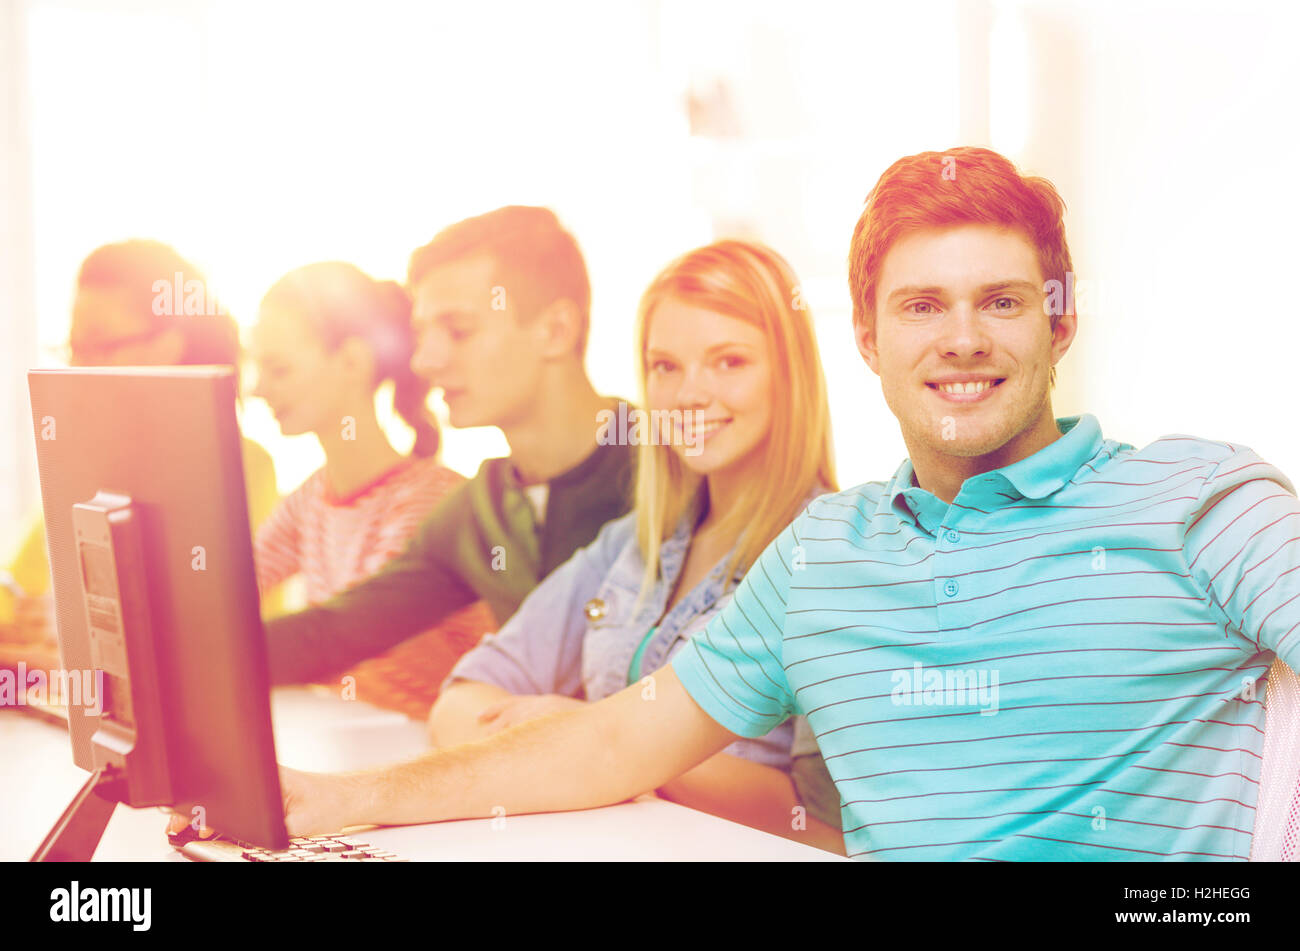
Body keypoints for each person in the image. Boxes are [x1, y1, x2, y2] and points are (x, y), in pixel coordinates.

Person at [267, 147, 1297, 861]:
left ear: (1057, 323)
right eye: (922, 306)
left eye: (1002, 301)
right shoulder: (822, 556)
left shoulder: (1198, 497)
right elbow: (612, 743)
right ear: (866, 338)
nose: (963, 339)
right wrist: (344, 802)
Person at [429, 240, 843, 850]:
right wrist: (581, 746)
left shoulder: (834, 556)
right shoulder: (632, 544)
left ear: (790, 374)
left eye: (729, 362)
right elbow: (463, 698)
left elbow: (822, 825)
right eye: (665, 366)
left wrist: (601, 745)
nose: (689, 395)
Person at [262, 207, 635, 687]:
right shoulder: (479, 512)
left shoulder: (676, 473)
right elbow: (335, 633)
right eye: (422, 334)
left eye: (458, 331)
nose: (425, 360)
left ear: (556, 330)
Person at [0, 240, 280, 645]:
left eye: (98, 345)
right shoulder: (87, 465)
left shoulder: (238, 465)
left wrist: (71, 623)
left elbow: (212, 625)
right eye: (74, 348)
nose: (79, 368)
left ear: (168, 345)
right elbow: (17, 587)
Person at [249, 262, 494, 717]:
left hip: (426, 752)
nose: (257, 388)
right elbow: (235, 589)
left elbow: (355, 647)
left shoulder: (428, 502)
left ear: (352, 363)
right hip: (350, 744)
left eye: (278, 369)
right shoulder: (309, 500)